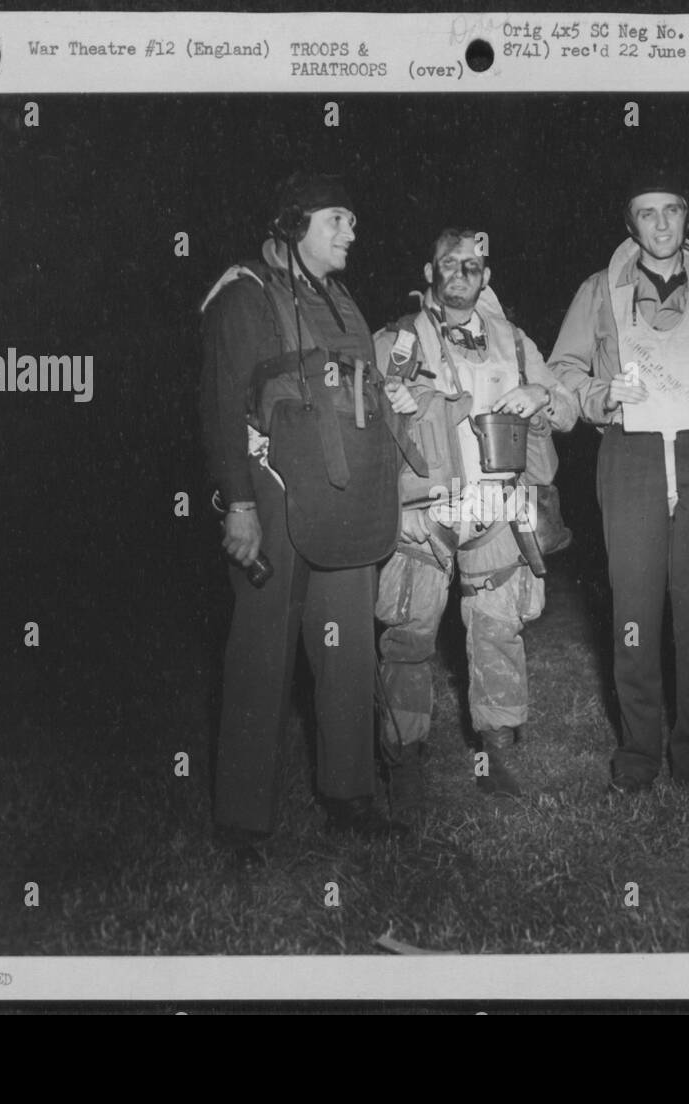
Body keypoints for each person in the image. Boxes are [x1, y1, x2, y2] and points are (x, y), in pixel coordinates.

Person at [199, 172, 414, 865]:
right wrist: (237, 504)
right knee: (262, 653)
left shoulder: (344, 301)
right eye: (338, 220)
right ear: (295, 227)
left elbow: (361, 401)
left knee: (350, 648)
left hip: (343, 501)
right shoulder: (244, 295)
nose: (352, 233)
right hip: (272, 494)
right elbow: (219, 407)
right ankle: (242, 823)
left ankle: (350, 798)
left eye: (352, 220)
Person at [546, 171, 689, 794]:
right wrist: (597, 394)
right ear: (630, 224)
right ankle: (639, 752)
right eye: (648, 213)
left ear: (687, 217)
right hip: (631, 456)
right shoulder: (597, 292)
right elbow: (561, 369)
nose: (662, 224)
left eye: (672, 211)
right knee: (634, 610)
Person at [372, 229, 578, 815]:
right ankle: (404, 760)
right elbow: (367, 426)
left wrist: (540, 394)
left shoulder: (514, 343)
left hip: (500, 511)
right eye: (448, 264)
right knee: (409, 638)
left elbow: (566, 409)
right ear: (430, 272)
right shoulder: (397, 340)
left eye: (472, 265)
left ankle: (494, 752)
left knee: (496, 633)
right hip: (426, 515)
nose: (460, 273)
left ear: (486, 275)